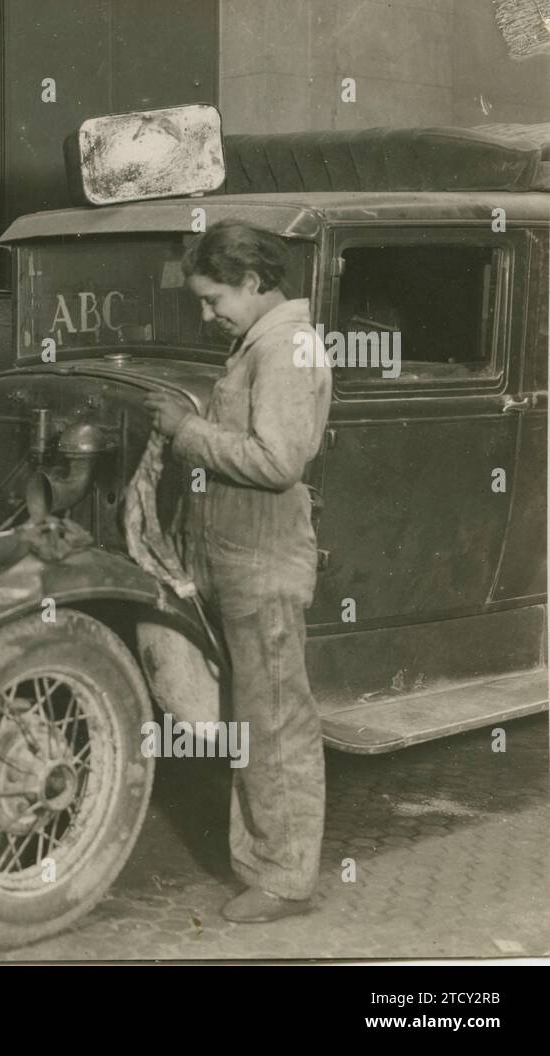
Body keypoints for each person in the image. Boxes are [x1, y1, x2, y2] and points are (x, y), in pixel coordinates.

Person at [143, 221, 331, 923]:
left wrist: (184, 432)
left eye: (214, 297)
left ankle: (285, 881)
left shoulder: (285, 347)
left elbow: (278, 462)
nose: (206, 313)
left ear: (254, 283)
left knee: (274, 720)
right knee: (255, 715)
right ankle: (266, 860)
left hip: (262, 563)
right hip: (234, 557)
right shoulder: (261, 340)